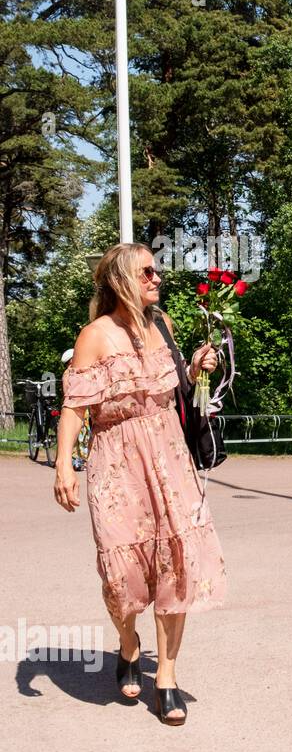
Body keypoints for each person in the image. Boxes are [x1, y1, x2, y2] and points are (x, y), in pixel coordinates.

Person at [53, 242, 225, 726]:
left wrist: (194, 368)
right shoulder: (95, 336)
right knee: (121, 573)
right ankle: (129, 644)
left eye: (156, 271)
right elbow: (75, 407)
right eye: (147, 271)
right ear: (121, 279)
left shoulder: (162, 326)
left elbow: (175, 393)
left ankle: (166, 677)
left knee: (176, 565)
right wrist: (65, 463)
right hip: (116, 462)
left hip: (169, 459)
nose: (157, 278)